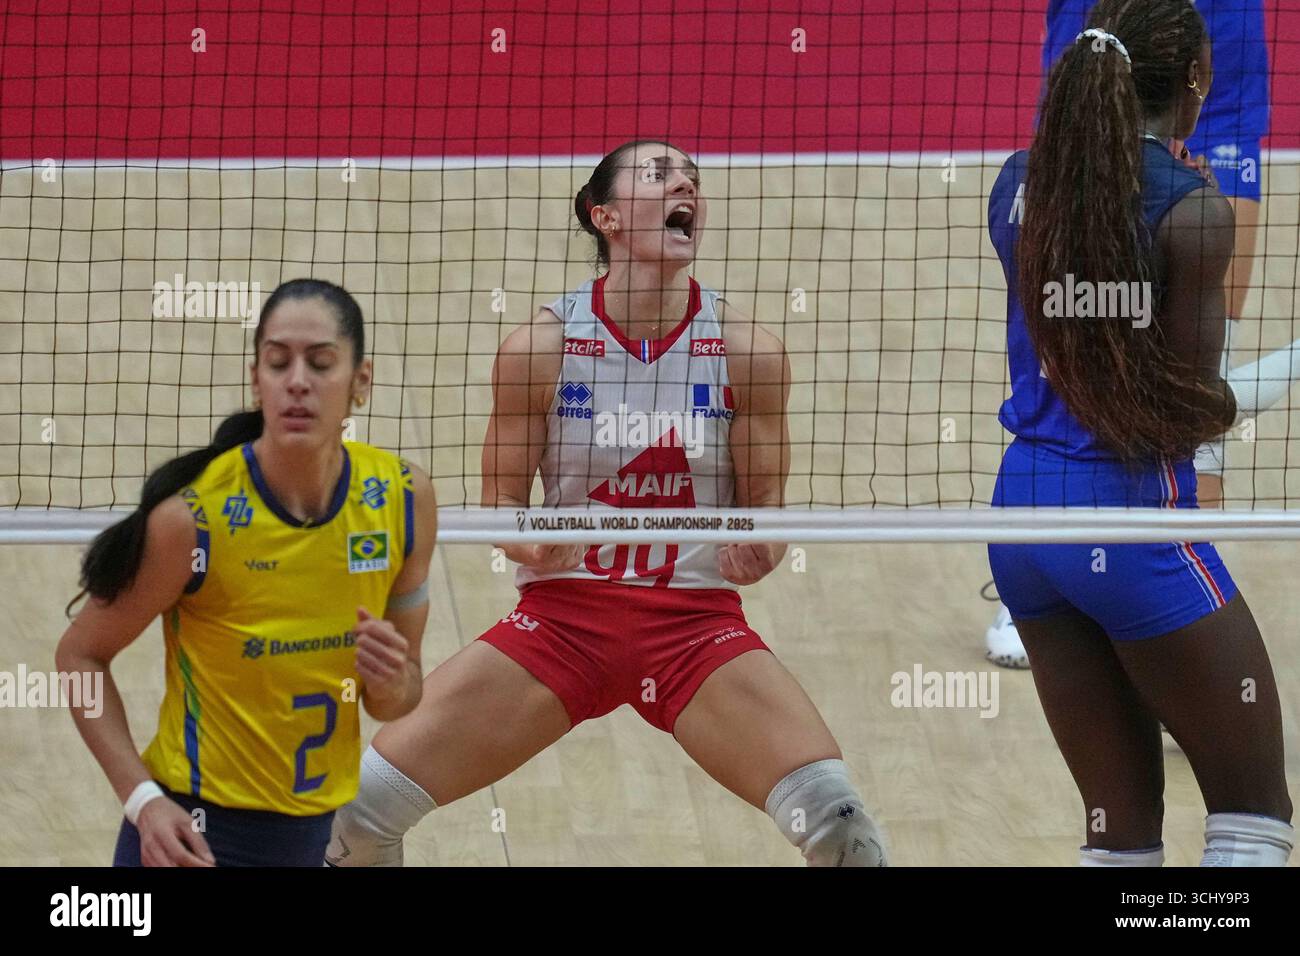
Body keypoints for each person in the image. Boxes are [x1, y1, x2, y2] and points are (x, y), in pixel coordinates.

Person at [326, 140, 887, 868]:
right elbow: (500, 501)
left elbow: (766, 504)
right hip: (561, 625)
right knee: (356, 815)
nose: (684, 181)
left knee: (843, 828)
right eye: (659, 174)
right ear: (606, 217)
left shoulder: (749, 350)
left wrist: (762, 547)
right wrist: (528, 542)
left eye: (691, 176)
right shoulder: (541, 347)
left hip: (695, 631)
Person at [986, 0, 1292, 865]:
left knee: (1117, 835)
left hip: (1021, 521)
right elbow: (1189, 410)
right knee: (1252, 813)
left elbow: (1096, 284)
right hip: (1131, 527)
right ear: (1198, 79)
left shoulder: (1017, 179)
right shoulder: (1195, 213)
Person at [55, 278, 437, 866]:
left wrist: (391, 682)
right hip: (191, 838)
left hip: (306, 839)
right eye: (278, 362)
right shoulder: (194, 522)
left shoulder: (404, 500)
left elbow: (397, 700)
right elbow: (79, 657)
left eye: (321, 363)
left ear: (361, 382)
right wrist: (141, 800)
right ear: (256, 380)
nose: (298, 381)